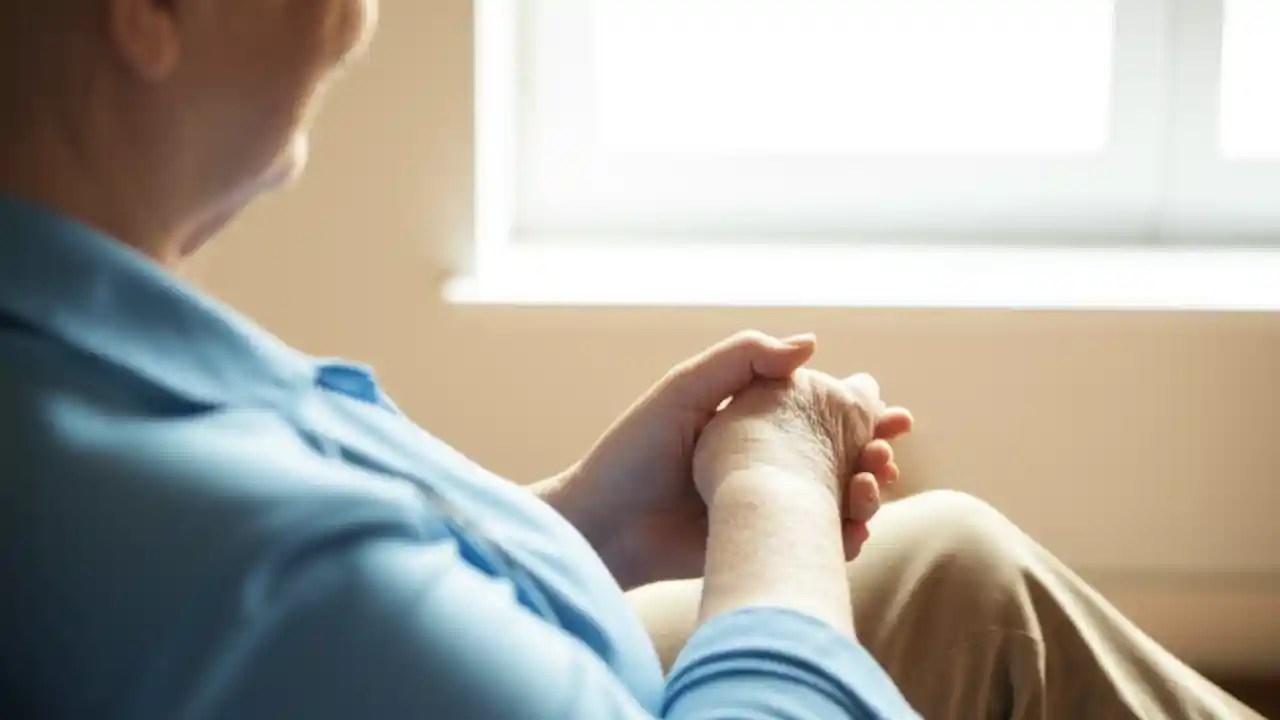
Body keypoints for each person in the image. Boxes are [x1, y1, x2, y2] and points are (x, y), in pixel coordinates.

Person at [0, 2, 1261, 718]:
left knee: (954, 573)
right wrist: (773, 502)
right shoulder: (256, 583)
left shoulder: (73, 364)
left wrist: (564, 527)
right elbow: (322, 601)